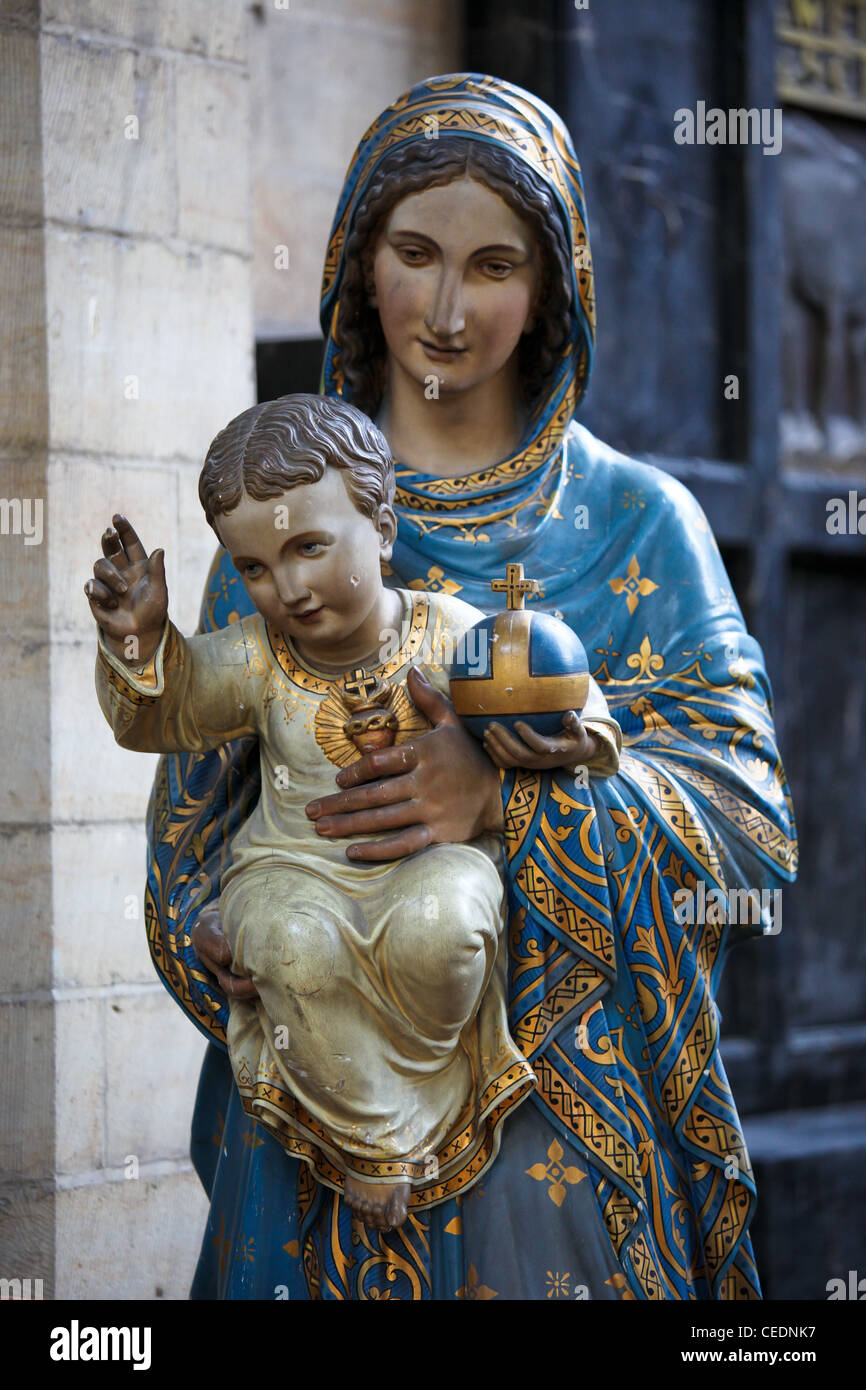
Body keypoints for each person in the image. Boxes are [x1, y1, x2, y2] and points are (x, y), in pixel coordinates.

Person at [141, 74, 798, 1300]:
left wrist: (507, 801)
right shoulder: (285, 519)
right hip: (307, 1142)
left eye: (493, 265)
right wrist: (214, 939)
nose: (444, 311)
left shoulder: (639, 523)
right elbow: (189, 826)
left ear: (551, 287)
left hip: (549, 1136)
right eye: (412, 254)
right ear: (355, 262)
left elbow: (748, 834)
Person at [89, 393, 616, 1230]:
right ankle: (373, 1139)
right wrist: (137, 640)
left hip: (421, 867)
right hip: (290, 871)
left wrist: (581, 736)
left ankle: (423, 1081)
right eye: (256, 568)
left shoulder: (445, 632)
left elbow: (549, 681)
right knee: (288, 948)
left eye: (308, 548)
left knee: (448, 924)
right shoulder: (259, 661)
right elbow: (168, 711)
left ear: (381, 526)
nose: (288, 588)